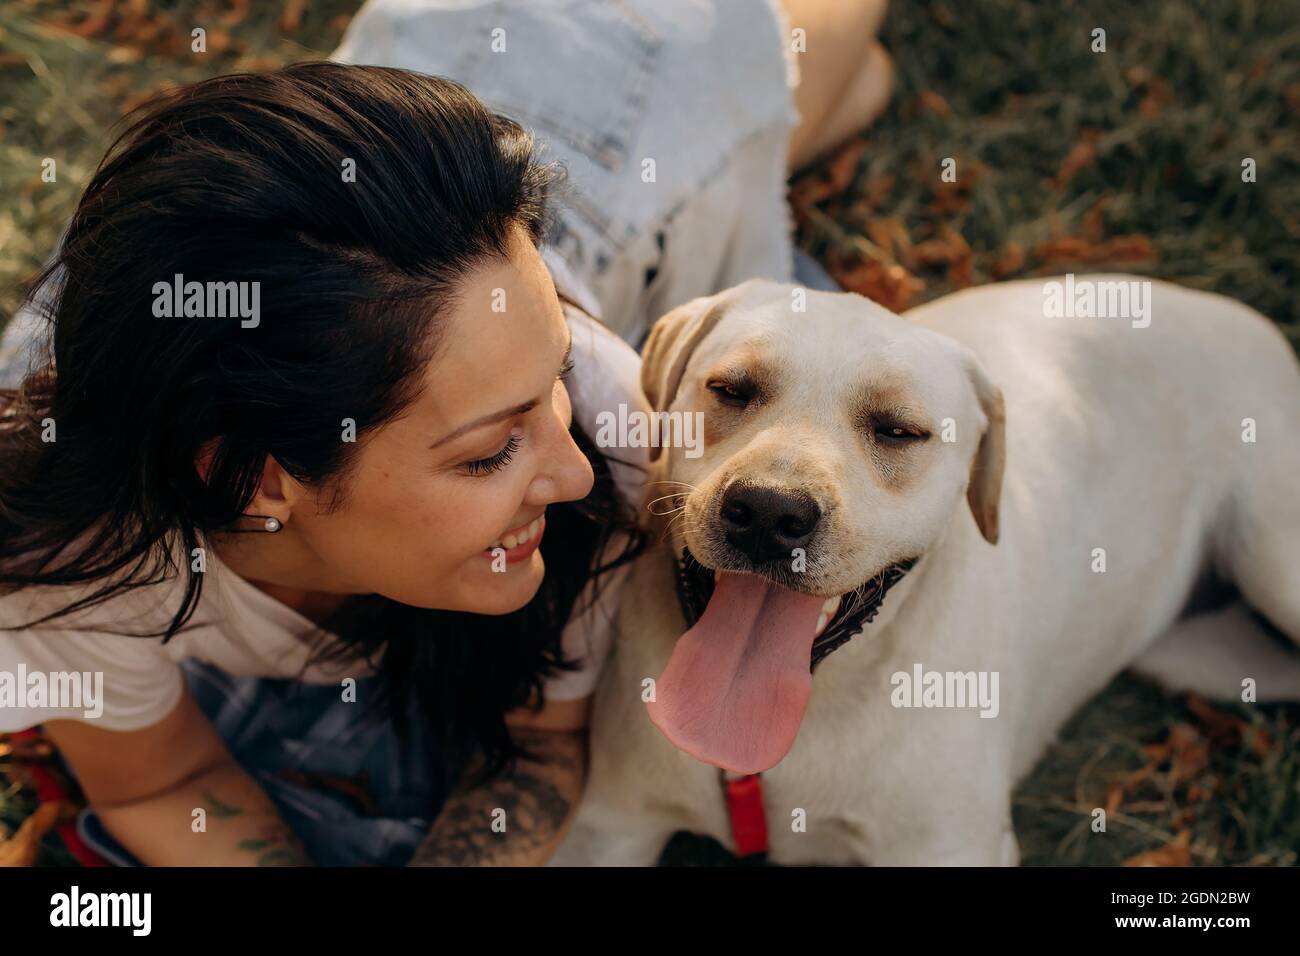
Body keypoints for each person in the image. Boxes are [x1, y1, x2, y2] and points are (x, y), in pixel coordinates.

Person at [0, 0, 892, 866]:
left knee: (805, 46)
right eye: (489, 451)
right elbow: (162, 784)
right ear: (252, 480)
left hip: (641, 114)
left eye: (550, 389)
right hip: (464, 115)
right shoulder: (58, 549)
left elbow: (542, 748)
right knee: (845, 93)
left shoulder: (610, 420)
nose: (578, 475)